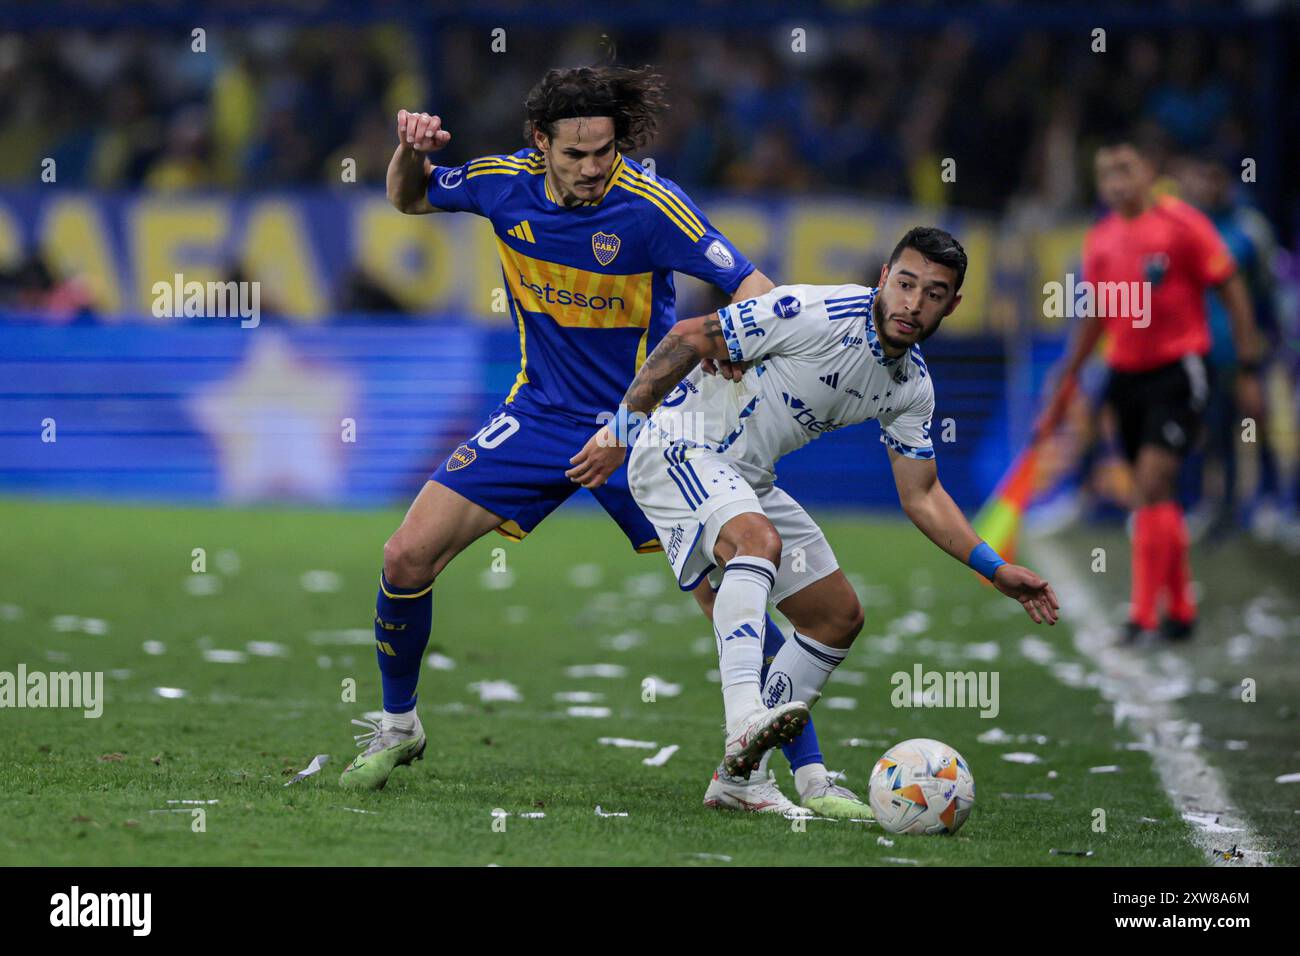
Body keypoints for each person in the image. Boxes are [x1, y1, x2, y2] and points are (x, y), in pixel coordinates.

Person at [342, 64, 857, 817]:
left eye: (604, 153)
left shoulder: (650, 207)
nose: (591, 169)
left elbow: (752, 287)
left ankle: (806, 778)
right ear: (539, 144)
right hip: (541, 414)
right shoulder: (500, 183)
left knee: (728, 596)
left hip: (648, 430)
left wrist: (747, 346)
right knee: (404, 555)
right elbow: (408, 196)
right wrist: (410, 152)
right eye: (575, 154)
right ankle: (397, 727)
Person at [568, 226, 1059, 777]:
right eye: (905, 283)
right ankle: (745, 722)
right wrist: (618, 433)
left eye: (934, 294)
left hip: (748, 478)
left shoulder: (912, 387)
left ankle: (741, 778)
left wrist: (993, 568)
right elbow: (687, 336)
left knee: (837, 617)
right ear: (883, 279)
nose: (913, 304)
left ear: (954, 304)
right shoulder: (814, 311)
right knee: (759, 542)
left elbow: (921, 494)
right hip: (679, 446)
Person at [1035, 136, 1264, 643]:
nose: (1117, 182)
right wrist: (1068, 378)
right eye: (1108, 174)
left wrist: (1248, 365)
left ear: (1148, 172)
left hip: (1180, 369)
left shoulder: (1183, 224)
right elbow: (1095, 318)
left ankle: (1141, 615)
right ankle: (1181, 608)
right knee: (1151, 492)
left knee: (1153, 484)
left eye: (1126, 170)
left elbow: (1233, 287)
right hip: (1126, 375)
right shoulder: (1101, 239)